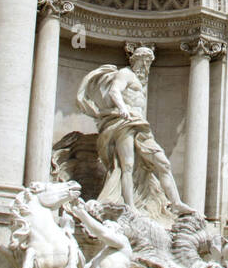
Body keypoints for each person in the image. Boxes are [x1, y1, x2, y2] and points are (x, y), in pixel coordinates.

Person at [77, 48, 194, 219]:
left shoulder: (140, 81)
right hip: (124, 122)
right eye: (143, 60)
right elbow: (114, 91)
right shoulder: (125, 73)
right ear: (135, 60)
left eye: (148, 61)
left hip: (140, 125)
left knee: (163, 163)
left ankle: (176, 203)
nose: (146, 65)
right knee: (128, 166)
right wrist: (123, 108)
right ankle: (130, 205)